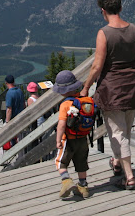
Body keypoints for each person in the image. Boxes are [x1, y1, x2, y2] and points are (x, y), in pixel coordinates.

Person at [81, 0, 135, 190]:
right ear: (120, 8)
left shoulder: (104, 33)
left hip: (112, 89)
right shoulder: (134, 30)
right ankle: (118, 162)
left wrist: (86, 87)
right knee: (125, 130)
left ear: (103, 11)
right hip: (132, 88)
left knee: (117, 133)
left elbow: (96, 66)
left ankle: (129, 176)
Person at [53, 70, 93, 199]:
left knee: (61, 163)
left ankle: (66, 181)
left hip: (69, 140)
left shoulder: (65, 104)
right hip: (83, 138)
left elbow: (61, 125)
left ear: (62, 91)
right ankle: (84, 187)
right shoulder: (86, 101)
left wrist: (58, 140)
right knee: (81, 163)